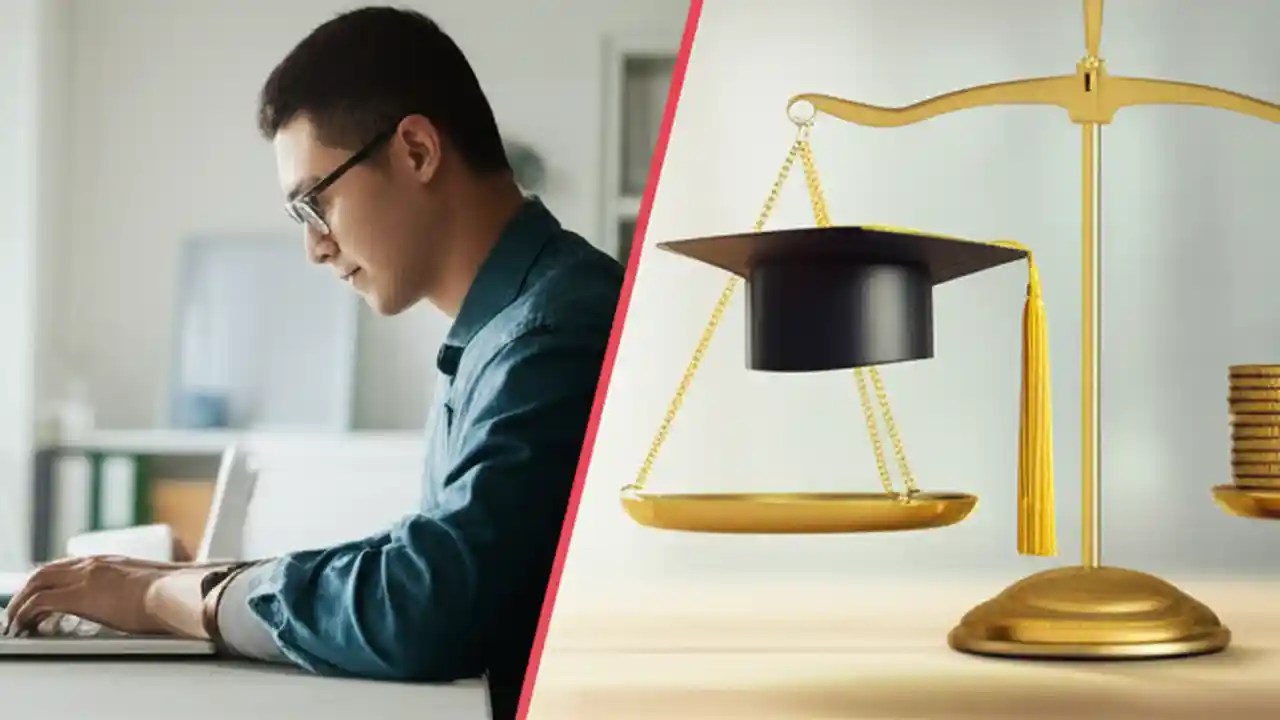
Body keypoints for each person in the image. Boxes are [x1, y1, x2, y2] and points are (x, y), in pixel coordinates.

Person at [3, 7, 623, 719]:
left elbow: (423, 605)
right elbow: (421, 554)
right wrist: (202, 580)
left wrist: (169, 599)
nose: (315, 247)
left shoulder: (551, 332)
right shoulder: (501, 328)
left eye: (314, 203)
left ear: (417, 150)